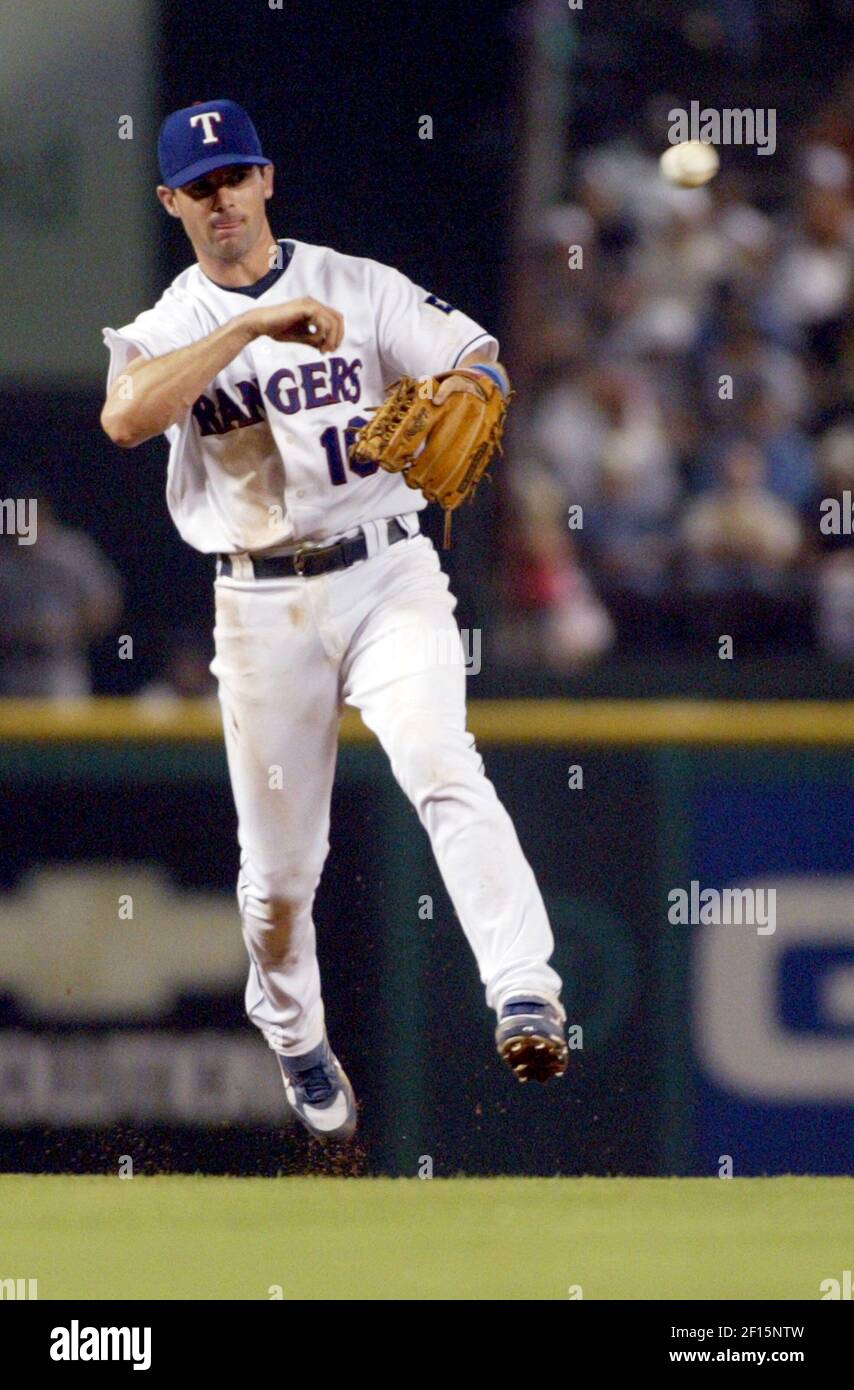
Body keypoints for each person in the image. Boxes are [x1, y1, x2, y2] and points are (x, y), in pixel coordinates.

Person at [100, 99, 567, 1142]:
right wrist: (249, 325)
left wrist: (477, 382)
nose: (224, 200)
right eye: (202, 187)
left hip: (386, 572)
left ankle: (523, 987)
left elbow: (474, 353)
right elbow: (127, 416)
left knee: (440, 762)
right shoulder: (171, 324)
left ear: (266, 180)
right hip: (259, 602)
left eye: (239, 178)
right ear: (171, 199)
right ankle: (294, 1031)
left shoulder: (357, 283)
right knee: (277, 881)